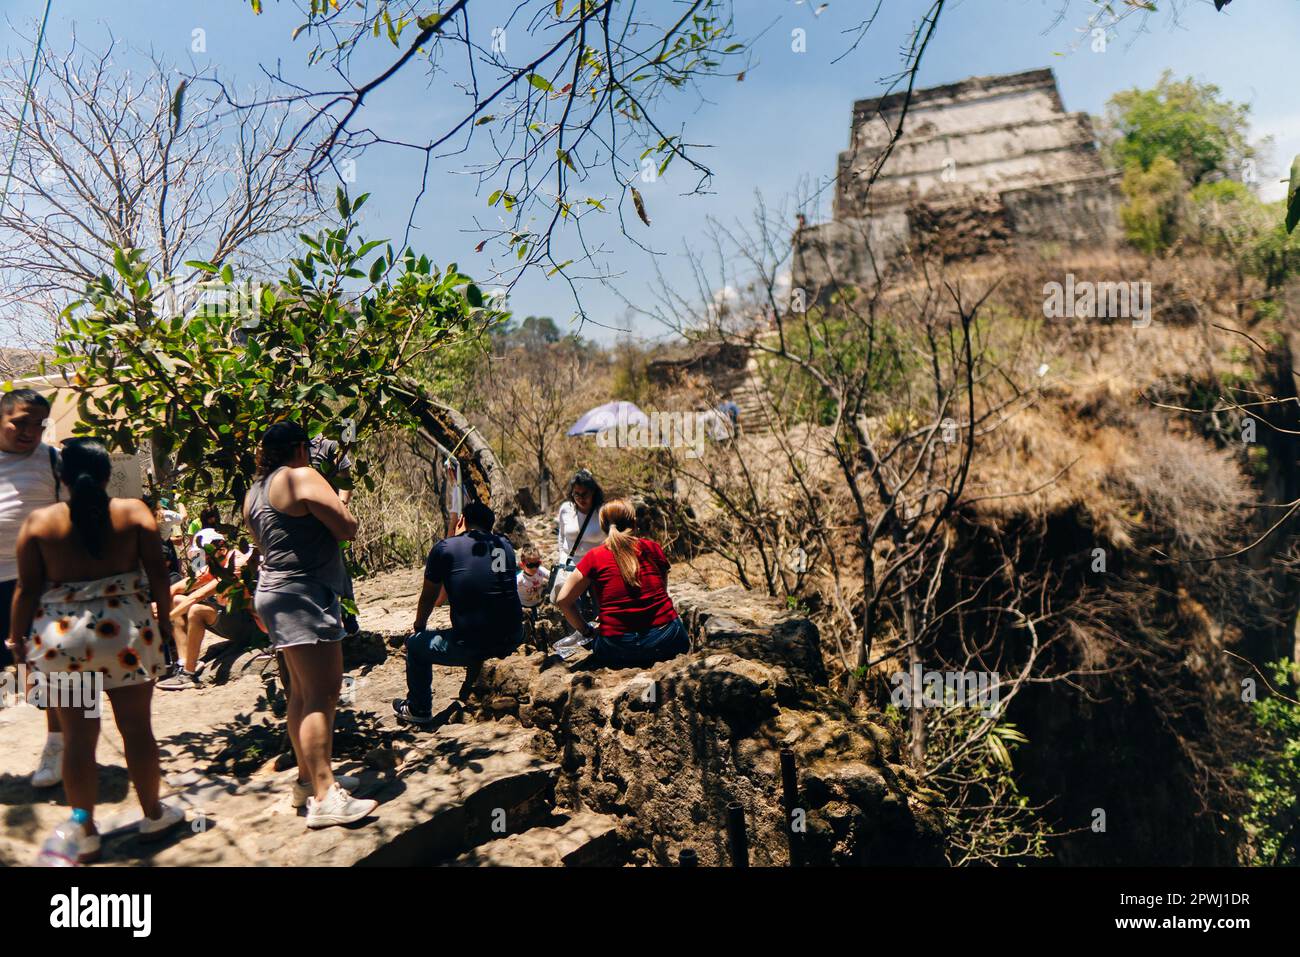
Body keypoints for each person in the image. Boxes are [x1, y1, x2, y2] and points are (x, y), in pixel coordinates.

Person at [8, 438, 183, 860]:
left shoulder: (39, 523)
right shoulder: (135, 512)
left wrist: (17, 642)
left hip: (65, 641)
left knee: (79, 742)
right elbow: (159, 576)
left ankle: (84, 829)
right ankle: (154, 814)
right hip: (126, 635)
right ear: (107, 475)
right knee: (138, 731)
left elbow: (27, 589)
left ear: (61, 478)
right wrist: (164, 627)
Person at [243, 421, 375, 828]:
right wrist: (340, 496)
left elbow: (272, 540)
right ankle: (325, 797)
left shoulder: (255, 492)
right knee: (322, 695)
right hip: (304, 593)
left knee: (300, 694)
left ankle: (306, 781)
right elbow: (347, 527)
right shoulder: (300, 476)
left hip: (274, 592)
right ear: (301, 449)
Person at [393, 500, 523, 726]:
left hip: (471, 644)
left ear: (462, 520)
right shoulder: (505, 545)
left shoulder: (445, 548)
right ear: (490, 526)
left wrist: (419, 627)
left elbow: (430, 597)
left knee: (415, 645)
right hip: (513, 637)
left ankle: (419, 708)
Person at [0, 388, 66, 788]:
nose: (30, 432)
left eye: (38, 424)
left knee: (60, 676)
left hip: (44, 584)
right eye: (20, 422)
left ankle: (59, 749)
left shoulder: (54, 461)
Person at [555, 499, 689, 667]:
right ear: (634, 522)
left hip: (617, 647)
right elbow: (661, 590)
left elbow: (563, 600)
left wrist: (586, 631)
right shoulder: (652, 548)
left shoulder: (594, 557)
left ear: (603, 526)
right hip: (666, 639)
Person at [159, 532, 264, 691]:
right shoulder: (217, 564)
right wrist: (156, 605)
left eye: (204, 554)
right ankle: (183, 663)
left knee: (196, 610)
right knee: (176, 600)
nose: (203, 558)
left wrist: (163, 619)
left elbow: (197, 596)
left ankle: (189, 674)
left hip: (255, 626)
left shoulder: (237, 563)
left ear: (220, 548)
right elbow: (184, 585)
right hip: (237, 620)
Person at [309, 433, 359, 636]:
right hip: (304, 522)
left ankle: (349, 616)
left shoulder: (328, 446)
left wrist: (340, 511)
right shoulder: (290, 448)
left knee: (339, 566)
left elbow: (345, 481)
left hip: (328, 518)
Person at [550, 469, 606, 622]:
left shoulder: (602, 511)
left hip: (596, 567)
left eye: (585, 494)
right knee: (570, 604)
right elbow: (561, 538)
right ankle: (580, 634)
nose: (581, 498)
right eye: (576, 494)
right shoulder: (566, 509)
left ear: (593, 492)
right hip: (571, 565)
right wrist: (563, 560)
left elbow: (609, 540)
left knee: (601, 607)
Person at [515, 545, 549, 609]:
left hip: (537, 602)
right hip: (523, 605)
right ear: (522, 565)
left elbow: (552, 576)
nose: (534, 568)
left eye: (537, 564)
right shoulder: (520, 579)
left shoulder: (540, 571)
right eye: (530, 565)